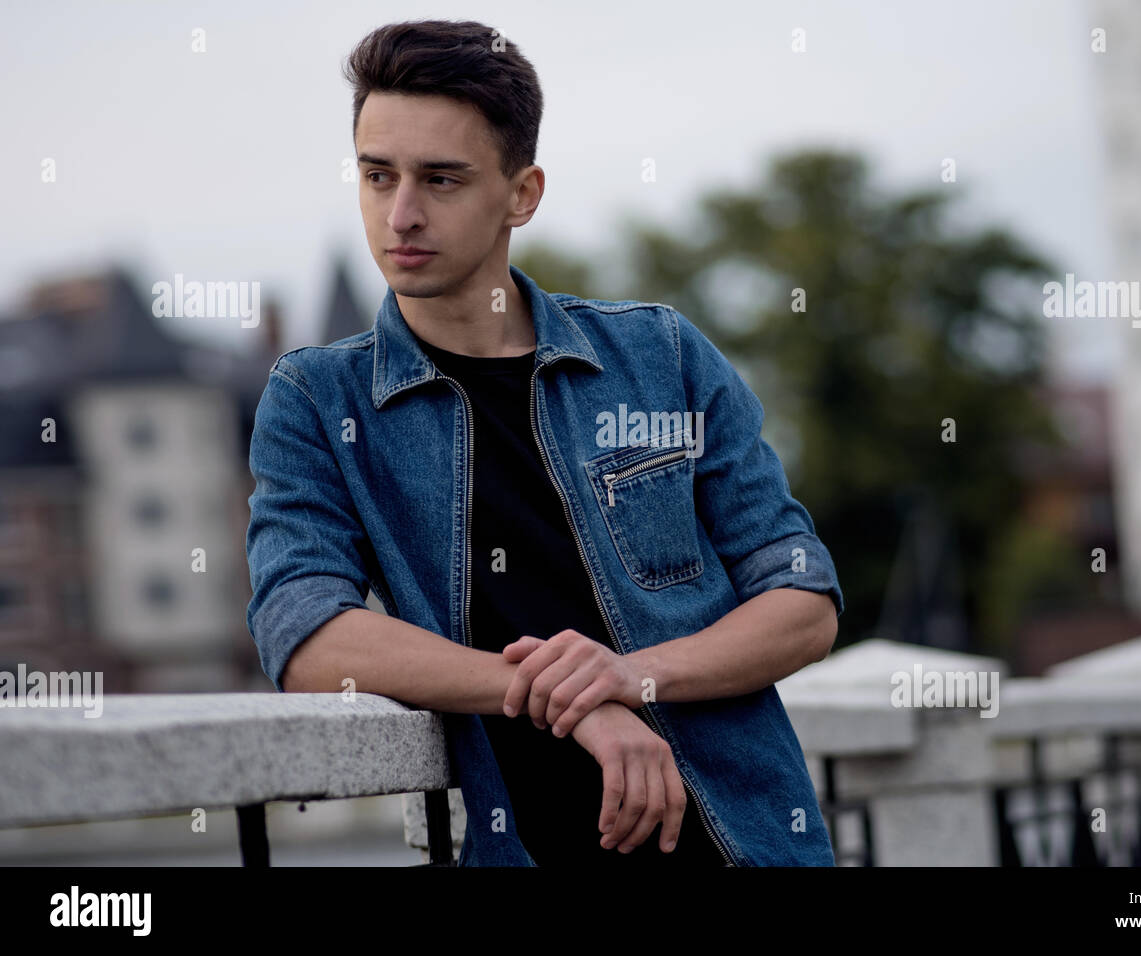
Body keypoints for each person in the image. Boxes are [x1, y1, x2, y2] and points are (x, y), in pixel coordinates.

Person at [245, 18, 844, 866]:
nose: (401, 214)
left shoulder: (660, 357)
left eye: (441, 180)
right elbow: (305, 632)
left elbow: (801, 601)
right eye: (378, 177)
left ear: (522, 194)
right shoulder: (315, 398)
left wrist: (634, 674)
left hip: (748, 844)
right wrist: (571, 700)